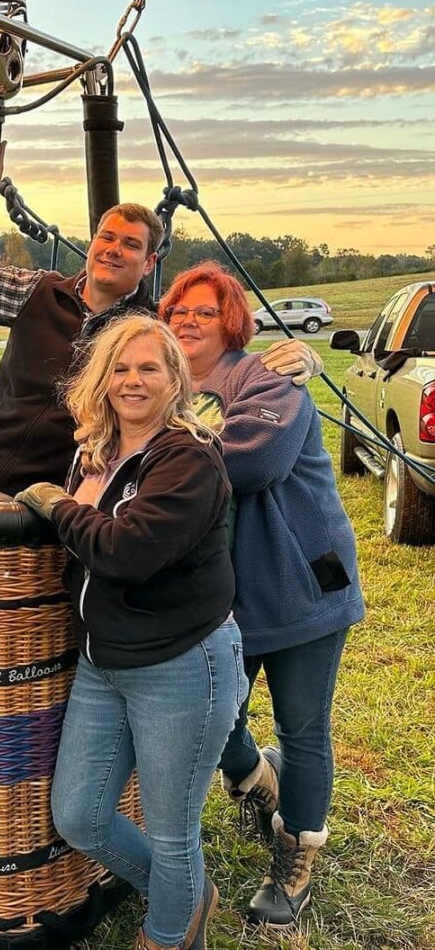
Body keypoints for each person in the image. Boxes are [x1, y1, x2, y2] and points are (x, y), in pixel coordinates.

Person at [0, 132, 322, 501]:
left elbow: (214, 352)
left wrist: (300, 355)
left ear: (149, 263)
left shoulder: (149, 330)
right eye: (107, 237)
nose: (114, 250)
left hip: (54, 497)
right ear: (92, 244)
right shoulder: (38, 291)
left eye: (131, 244)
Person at [15, 316, 246, 950]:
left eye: (149, 368)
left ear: (175, 379)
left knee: (172, 833)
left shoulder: (189, 457)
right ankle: (189, 895)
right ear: (101, 378)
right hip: (104, 661)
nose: (132, 380)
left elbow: (125, 551)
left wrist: (58, 507)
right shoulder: (94, 453)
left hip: (181, 664)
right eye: (119, 367)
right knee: (80, 816)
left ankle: (167, 936)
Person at [160, 262, 365, 928]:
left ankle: (296, 853)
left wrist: (151, 456)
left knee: (302, 728)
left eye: (205, 311)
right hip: (225, 597)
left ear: (231, 322)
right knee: (216, 718)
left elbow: (252, 461)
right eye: (178, 311)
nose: (189, 321)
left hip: (302, 583)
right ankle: (255, 777)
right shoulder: (163, 385)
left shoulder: (273, 374)